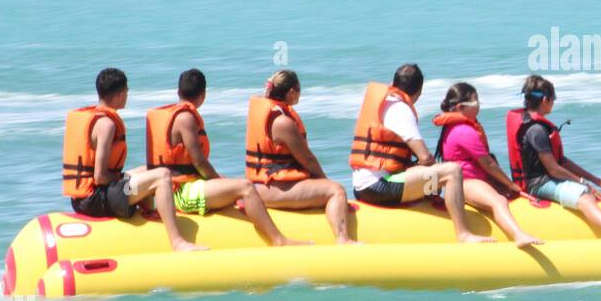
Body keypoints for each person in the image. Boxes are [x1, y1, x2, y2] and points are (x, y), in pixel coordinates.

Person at [146, 68, 306, 246]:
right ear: (203, 94)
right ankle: (278, 239)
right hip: (182, 194)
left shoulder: (173, 115)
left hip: (176, 190)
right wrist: (217, 180)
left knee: (233, 184)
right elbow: (199, 161)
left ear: (178, 92)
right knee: (245, 187)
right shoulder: (186, 118)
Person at [62, 67, 206, 252]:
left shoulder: (96, 118)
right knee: (162, 175)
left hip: (87, 197)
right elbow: (100, 176)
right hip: (98, 200)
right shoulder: (106, 125)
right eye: (126, 91)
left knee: (148, 170)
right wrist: (125, 179)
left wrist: (127, 178)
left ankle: (151, 212)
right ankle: (177, 241)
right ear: (119, 94)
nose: (128, 94)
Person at [349, 64, 494, 244]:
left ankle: (434, 204)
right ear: (418, 92)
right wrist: (431, 180)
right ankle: (464, 233)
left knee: (431, 177)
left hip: (362, 185)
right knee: (452, 171)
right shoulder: (400, 109)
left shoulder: (383, 104)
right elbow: (425, 157)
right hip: (379, 187)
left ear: (393, 83)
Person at [507, 75, 601, 251]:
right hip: (537, 184)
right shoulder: (536, 130)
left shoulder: (531, 123)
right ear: (546, 100)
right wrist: (582, 183)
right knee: (584, 196)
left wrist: (596, 180)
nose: (553, 103)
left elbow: (561, 161)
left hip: (546, 178)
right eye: (553, 99)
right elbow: (554, 170)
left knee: (587, 188)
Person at [245, 69, 356, 245]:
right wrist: (324, 182)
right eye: (299, 89)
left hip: (260, 185)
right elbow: (307, 159)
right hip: (273, 188)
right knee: (336, 190)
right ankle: (343, 239)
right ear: (291, 92)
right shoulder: (283, 122)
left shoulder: (267, 111)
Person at [433, 82, 544, 248]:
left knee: (508, 197)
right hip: (465, 183)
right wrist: (511, 185)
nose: (479, 107)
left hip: (470, 181)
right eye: (476, 103)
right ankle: (518, 235)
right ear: (460, 107)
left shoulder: (454, 127)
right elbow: (488, 164)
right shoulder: (464, 131)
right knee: (498, 201)